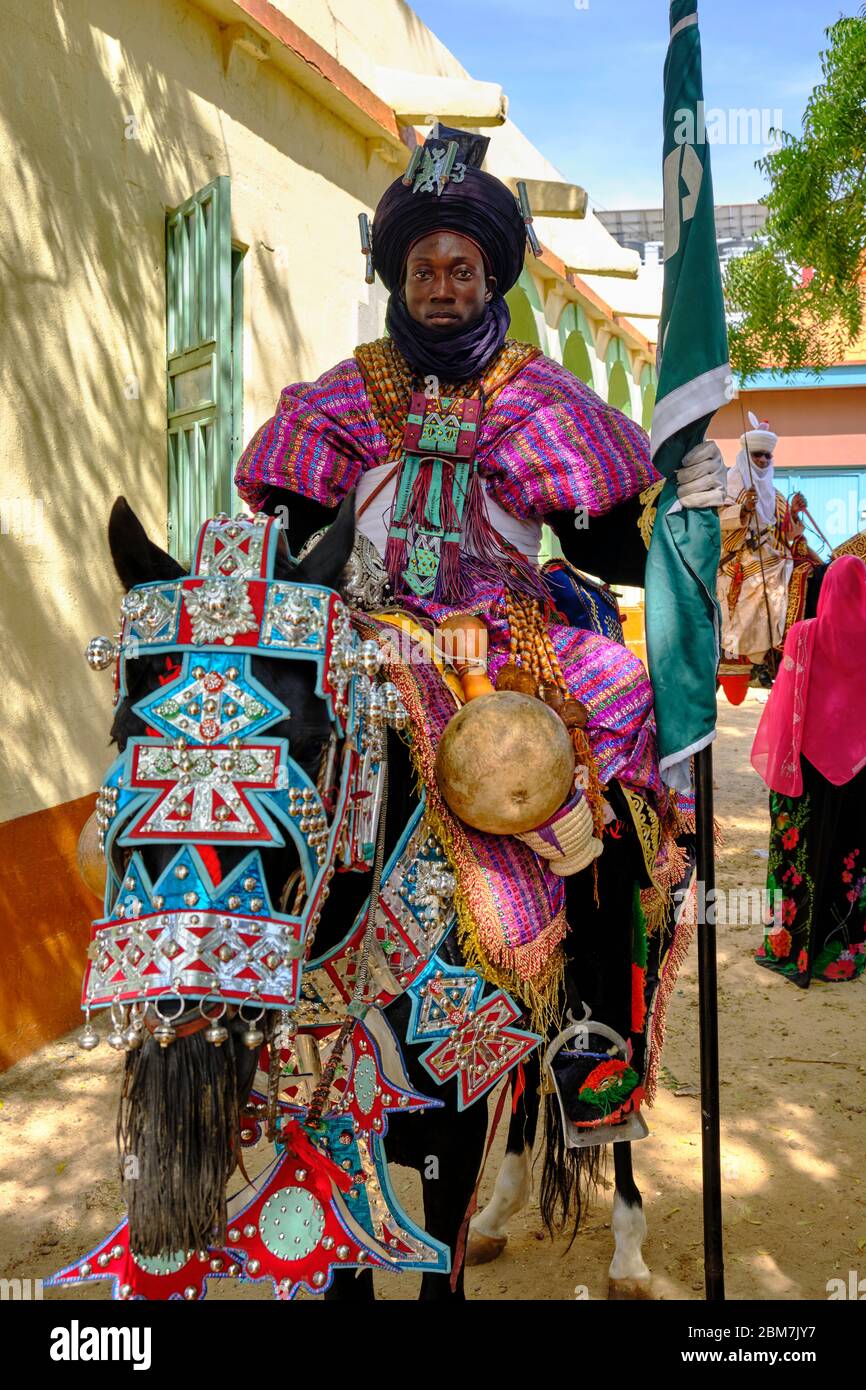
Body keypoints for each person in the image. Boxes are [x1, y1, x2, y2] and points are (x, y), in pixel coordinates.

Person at [234, 127, 725, 1077]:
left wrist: (680, 502)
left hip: (506, 640)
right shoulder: (342, 396)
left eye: (462, 268)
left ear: (492, 277)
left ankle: (590, 1027)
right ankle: (236, 986)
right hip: (368, 634)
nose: (443, 286)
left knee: (620, 712)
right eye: (425, 269)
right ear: (399, 280)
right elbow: (290, 528)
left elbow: (600, 538)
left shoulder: (537, 392)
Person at [751, 554, 866, 987]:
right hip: (858, 772)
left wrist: (780, 766)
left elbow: (784, 707)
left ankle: (791, 947)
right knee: (849, 862)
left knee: (799, 859)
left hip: (806, 769)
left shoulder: (803, 636)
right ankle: (842, 952)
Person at [717, 415, 819, 700]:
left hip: (773, 554)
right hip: (737, 556)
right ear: (746, 456)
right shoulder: (731, 485)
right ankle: (752, 655)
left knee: (800, 569)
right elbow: (719, 523)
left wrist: (794, 513)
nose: (763, 460)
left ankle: (775, 652)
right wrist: (742, 508)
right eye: (757, 455)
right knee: (765, 580)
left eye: (767, 455)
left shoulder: (774, 495)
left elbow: (785, 536)